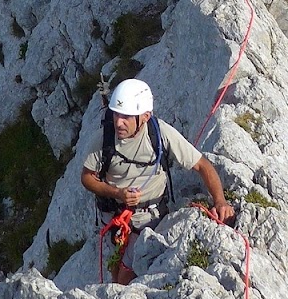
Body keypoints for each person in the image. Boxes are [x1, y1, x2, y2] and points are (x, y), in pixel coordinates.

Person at [81, 77, 235, 284]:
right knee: (116, 263)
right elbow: (86, 178)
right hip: (114, 216)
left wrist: (220, 201)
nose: (119, 122)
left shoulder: (160, 134)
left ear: (144, 117)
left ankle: (118, 297)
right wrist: (117, 193)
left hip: (149, 218)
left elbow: (202, 165)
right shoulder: (104, 139)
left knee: (126, 273)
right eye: (116, 114)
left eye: (127, 116)